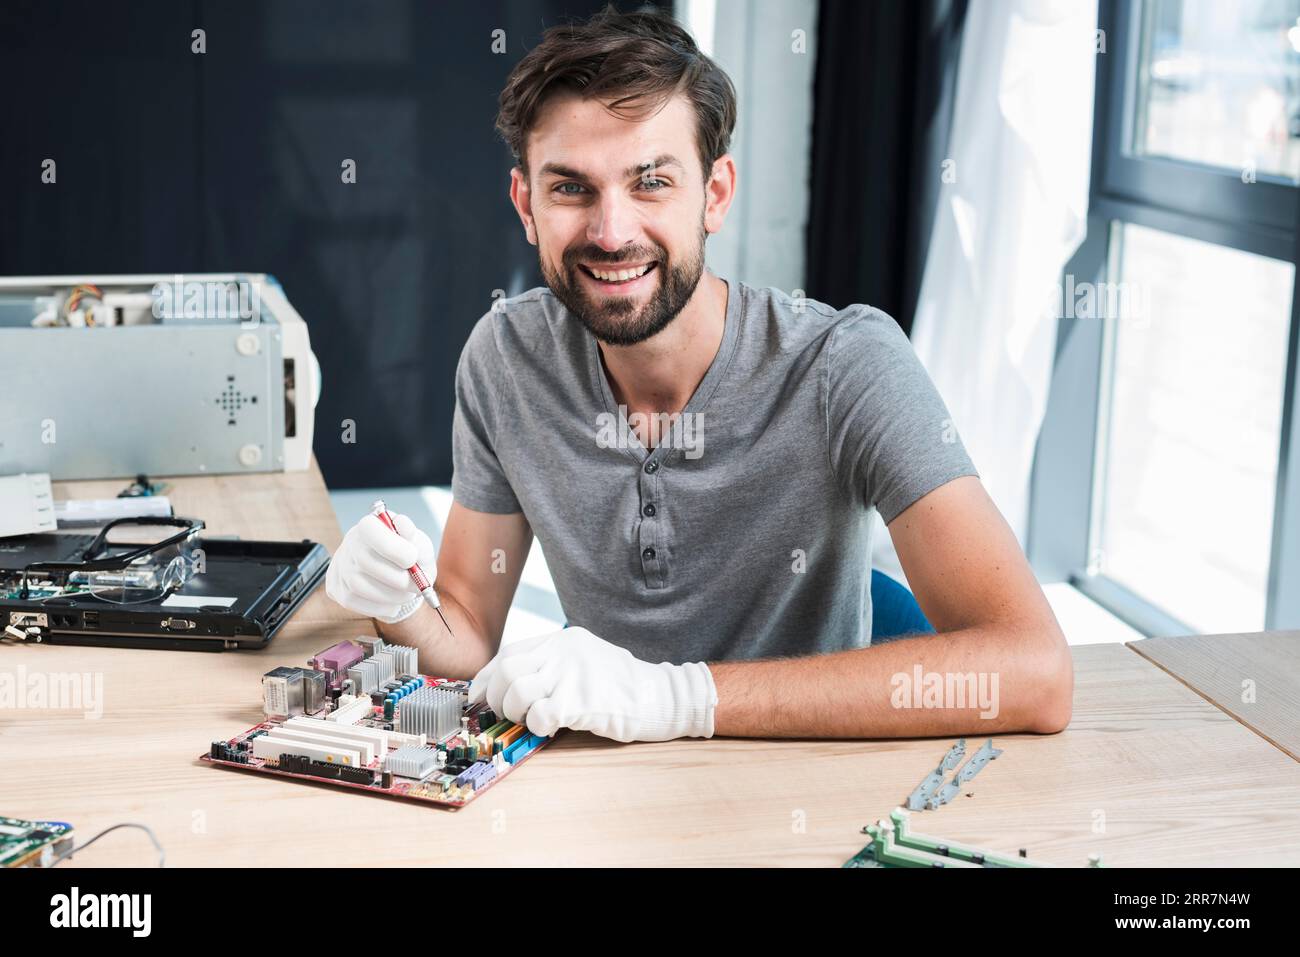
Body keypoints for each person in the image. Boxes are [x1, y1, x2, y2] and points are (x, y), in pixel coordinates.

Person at [327, 6, 1072, 743]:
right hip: (613, 800)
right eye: (570, 188)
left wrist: (679, 697)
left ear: (714, 194)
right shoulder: (505, 358)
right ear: (527, 204)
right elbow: (466, 636)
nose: (611, 232)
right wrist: (397, 598)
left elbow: (1033, 668)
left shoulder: (846, 364)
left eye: (651, 182)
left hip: (807, 798)